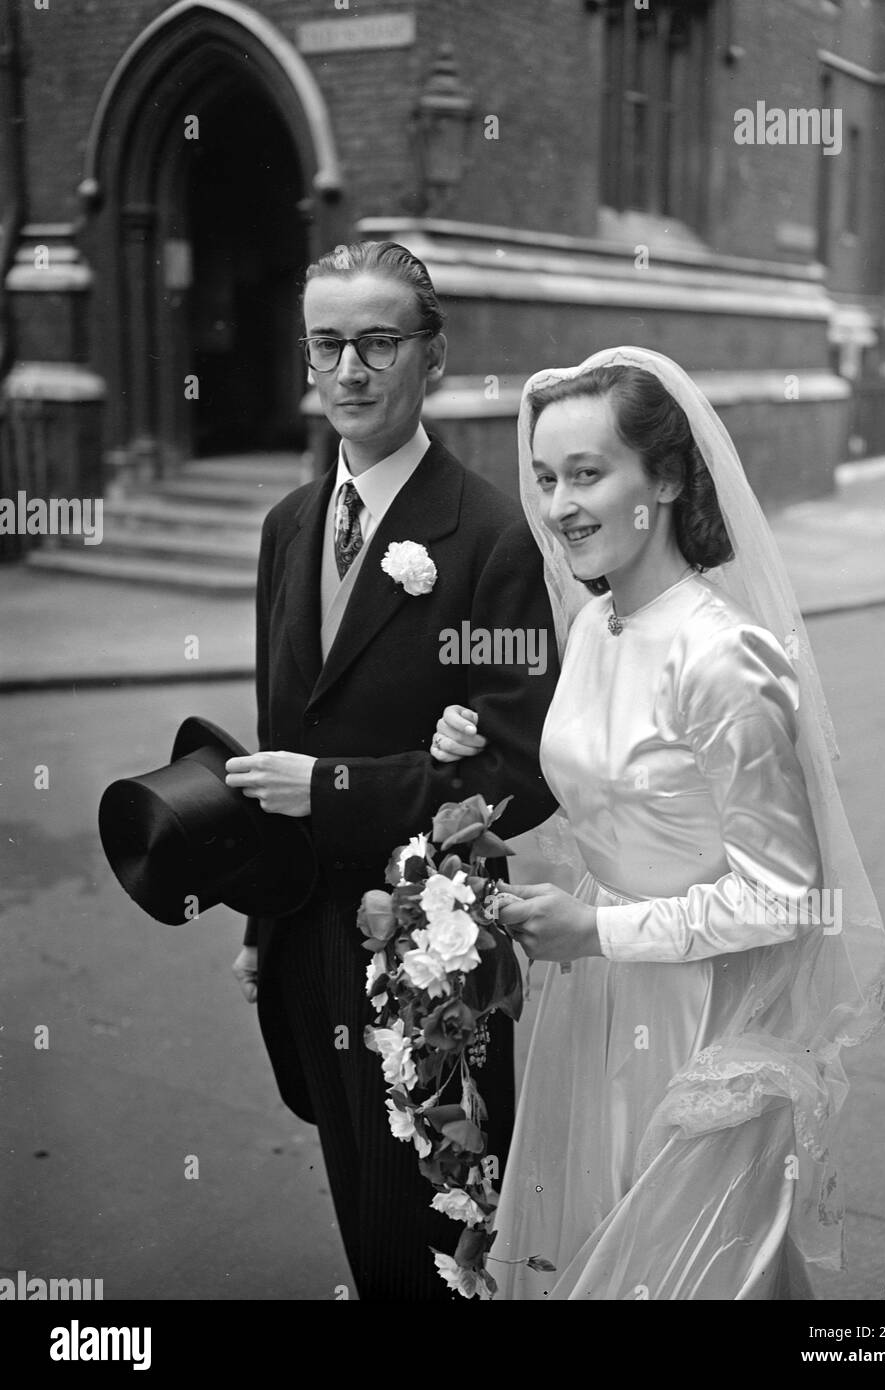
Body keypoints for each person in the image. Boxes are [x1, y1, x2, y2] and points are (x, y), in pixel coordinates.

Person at [431, 347, 885, 1300]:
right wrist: (490, 814)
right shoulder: (595, 627)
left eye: (588, 474)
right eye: (547, 477)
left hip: (696, 1020)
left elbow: (785, 897)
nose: (559, 503)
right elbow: (616, 807)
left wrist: (597, 930)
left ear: (669, 479)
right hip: (593, 1004)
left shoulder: (726, 659)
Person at [225, 241, 559, 1301]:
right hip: (304, 934)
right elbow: (283, 723)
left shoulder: (491, 538)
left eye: (378, 342)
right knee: (362, 1231)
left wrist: (332, 790)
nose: (351, 370)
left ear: (433, 357)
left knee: (428, 1239)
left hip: (428, 962)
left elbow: (518, 771)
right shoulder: (287, 527)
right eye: (329, 344)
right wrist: (255, 920)